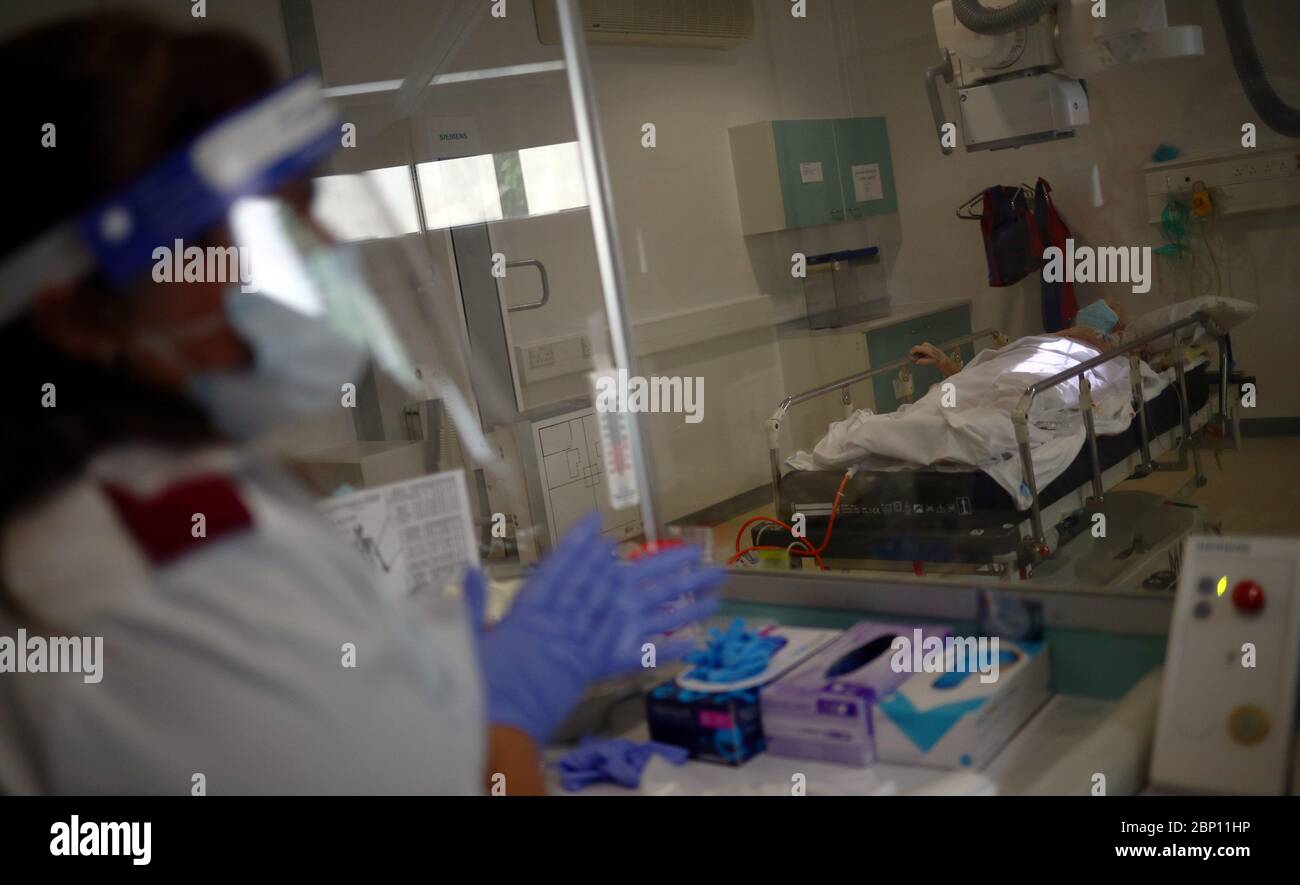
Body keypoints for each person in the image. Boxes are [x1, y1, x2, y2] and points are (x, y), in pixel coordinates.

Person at [0, 13, 721, 795]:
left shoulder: (154, 513)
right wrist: (501, 713)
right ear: (78, 313)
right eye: (256, 227)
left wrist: (450, 678)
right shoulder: (154, 582)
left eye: (308, 204)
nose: (325, 251)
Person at [908, 298, 1129, 378]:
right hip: (1034, 352)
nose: (1100, 305)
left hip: (1059, 363)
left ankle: (955, 376)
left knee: (1012, 381)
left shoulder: (1105, 345)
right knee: (994, 369)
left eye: (1109, 308)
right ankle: (951, 370)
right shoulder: (1057, 336)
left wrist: (1080, 333)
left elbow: (1111, 355)